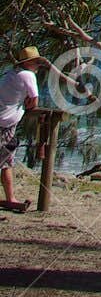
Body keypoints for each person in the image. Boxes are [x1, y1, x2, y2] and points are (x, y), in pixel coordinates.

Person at [0, 46, 45, 213]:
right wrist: (27, 105)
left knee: (6, 161)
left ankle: (10, 198)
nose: (38, 65)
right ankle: (10, 198)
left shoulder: (11, 74)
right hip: (4, 124)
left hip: (5, 122)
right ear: (29, 63)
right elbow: (34, 100)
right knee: (4, 159)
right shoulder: (28, 75)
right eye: (36, 62)